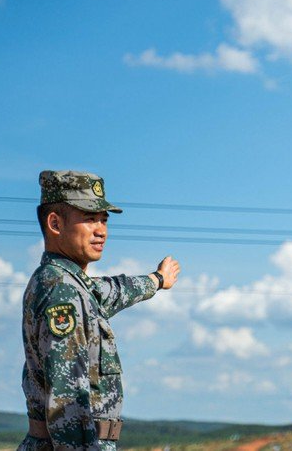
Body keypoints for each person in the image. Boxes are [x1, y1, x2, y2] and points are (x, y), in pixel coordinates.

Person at [19, 170, 181, 451]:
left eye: (104, 220)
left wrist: (156, 280)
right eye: (89, 218)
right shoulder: (63, 292)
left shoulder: (69, 283)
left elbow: (112, 291)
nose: (101, 230)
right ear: (55, 223)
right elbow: (67, 401)